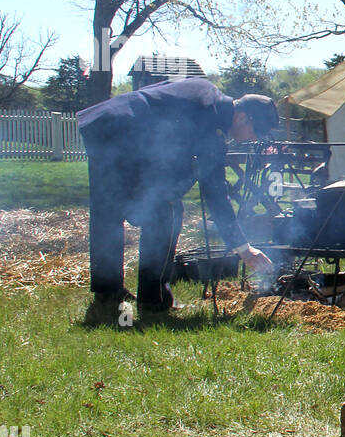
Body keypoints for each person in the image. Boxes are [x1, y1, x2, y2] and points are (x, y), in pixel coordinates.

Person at [77, 78, 278, 321]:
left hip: (106, 125)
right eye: (255, 132)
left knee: (108, 212)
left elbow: (157, 98)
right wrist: (244, 249)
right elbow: (214, 192)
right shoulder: (211, 123)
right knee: (167, 210)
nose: (253, 139)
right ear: (242, 117)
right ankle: (154, 299)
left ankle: (107, 293)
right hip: (124, 136)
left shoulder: (206, 93)